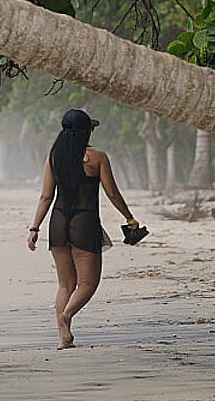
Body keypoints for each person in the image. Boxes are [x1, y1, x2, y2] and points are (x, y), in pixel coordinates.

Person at [27, 108, 143, 349]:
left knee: (65, 285)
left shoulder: (54, 157)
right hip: (84, 221)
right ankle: (66, 316)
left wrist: (34, 228)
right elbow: (112, 193)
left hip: (57, 222)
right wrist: (130, 219)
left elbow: (46, 197)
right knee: (88, 283)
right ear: (87, 131)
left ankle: (63, 336)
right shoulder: (97, 157)